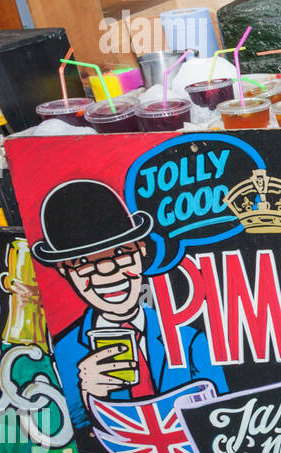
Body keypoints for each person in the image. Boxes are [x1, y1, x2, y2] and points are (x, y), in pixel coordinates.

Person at [31, 179, 226, 430]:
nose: (108, 272)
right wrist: (87, 397)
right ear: (63, 271)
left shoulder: (191, 341)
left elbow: (222, 417)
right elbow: (59, 435)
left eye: (121, 252)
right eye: (83, 262)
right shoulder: (64, 351)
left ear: (141, 251)